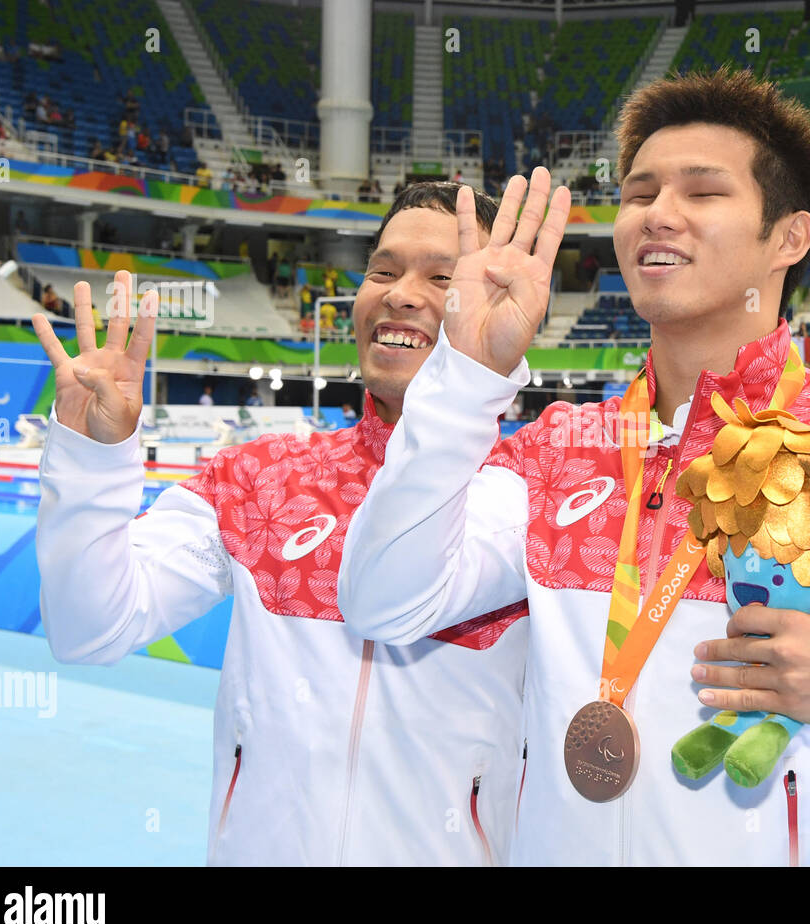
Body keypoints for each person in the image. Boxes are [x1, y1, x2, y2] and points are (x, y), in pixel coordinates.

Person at [339, 68, 810, 866]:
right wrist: (468, 378)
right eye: (639, 193)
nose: (657, 214)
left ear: (789, 238)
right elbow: (384, 602)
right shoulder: (555, 453)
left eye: (702, 193)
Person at [30, 182, 529, 866]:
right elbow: (91, 629)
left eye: (443, 277)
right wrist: (91, 457)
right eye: (382, 270)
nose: (400, 293)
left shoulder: (543, 490)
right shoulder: (256, 480)